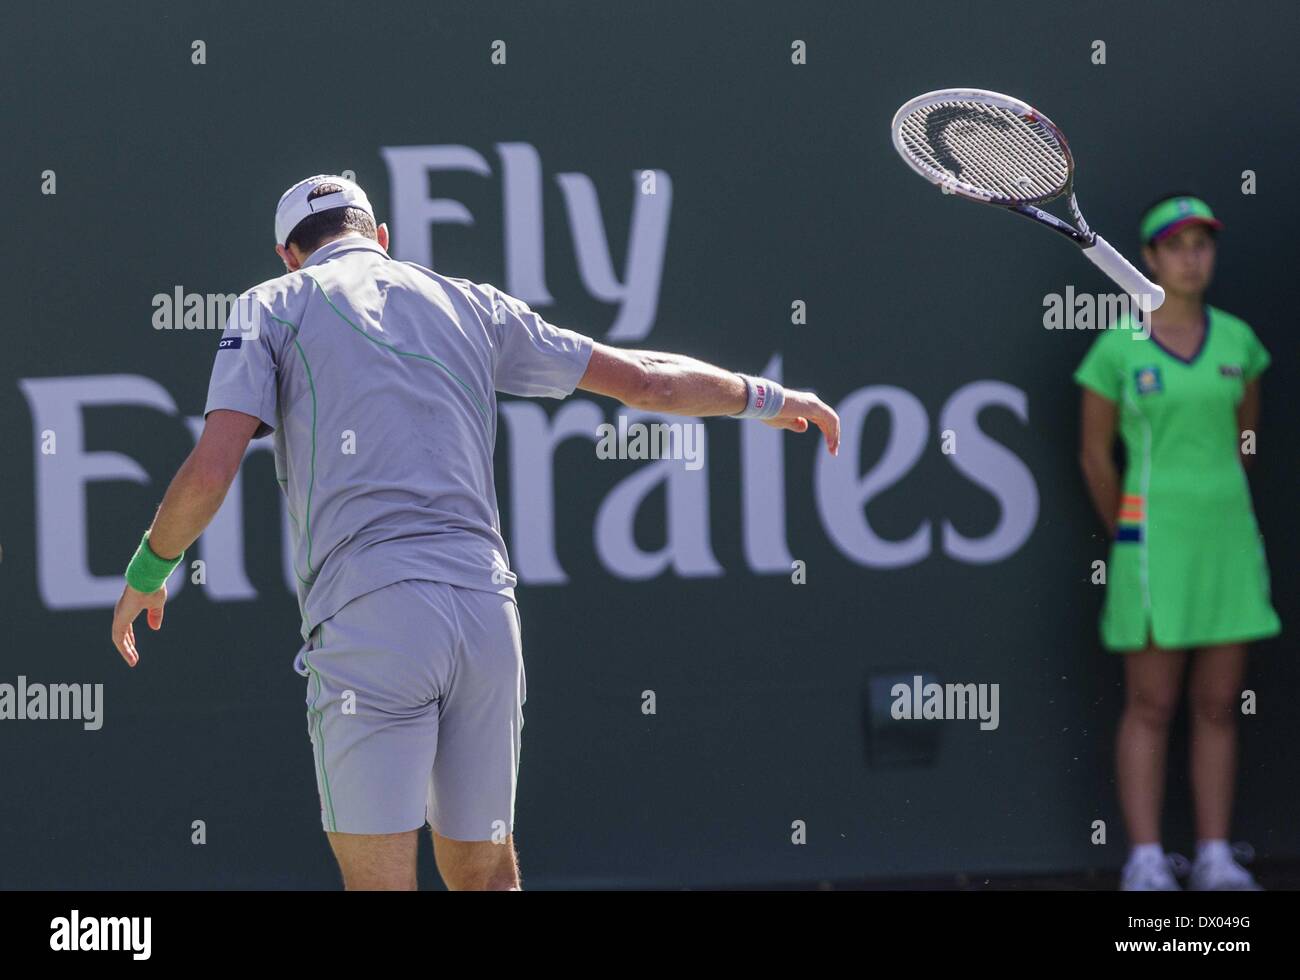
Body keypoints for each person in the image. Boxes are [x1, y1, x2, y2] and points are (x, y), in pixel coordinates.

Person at [109, 174, 840, 891]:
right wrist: (769, 398)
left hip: (372, 620)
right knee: (488, 877)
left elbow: (212, 469)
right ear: (381, 237)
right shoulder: (471, 303)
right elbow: (651, 381)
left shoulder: (269, 304)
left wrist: (149, 568)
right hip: (487, 618)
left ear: (289, 255)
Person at [1074, 193, 1280, 891]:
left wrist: (1210, 503)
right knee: (1153, 703)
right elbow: (1096, 457)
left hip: (1227, 544)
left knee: (1221, 704)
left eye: (1203, 243)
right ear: (1150, 259)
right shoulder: (1115, 348)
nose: (1193, 257)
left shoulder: (1239, 343)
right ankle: (1146, 860)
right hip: (1150, 550)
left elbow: (1244, 440)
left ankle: (1217, 856)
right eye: (1177, 245)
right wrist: (1133, 531)